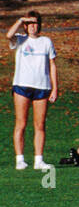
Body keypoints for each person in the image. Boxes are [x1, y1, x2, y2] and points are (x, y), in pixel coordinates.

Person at [8, 11, 57, 171]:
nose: (32, 26)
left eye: (35, 23)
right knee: (21, 123)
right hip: (22, 86)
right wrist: (21, 19)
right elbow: (9, 35)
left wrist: (55, 88)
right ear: (25, 26)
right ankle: (20, 159)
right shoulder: (21, 40)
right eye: (29, 24)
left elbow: (52, 65)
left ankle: (38, 160)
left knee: (40, 124)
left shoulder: (46, 42)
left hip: (42, 87)